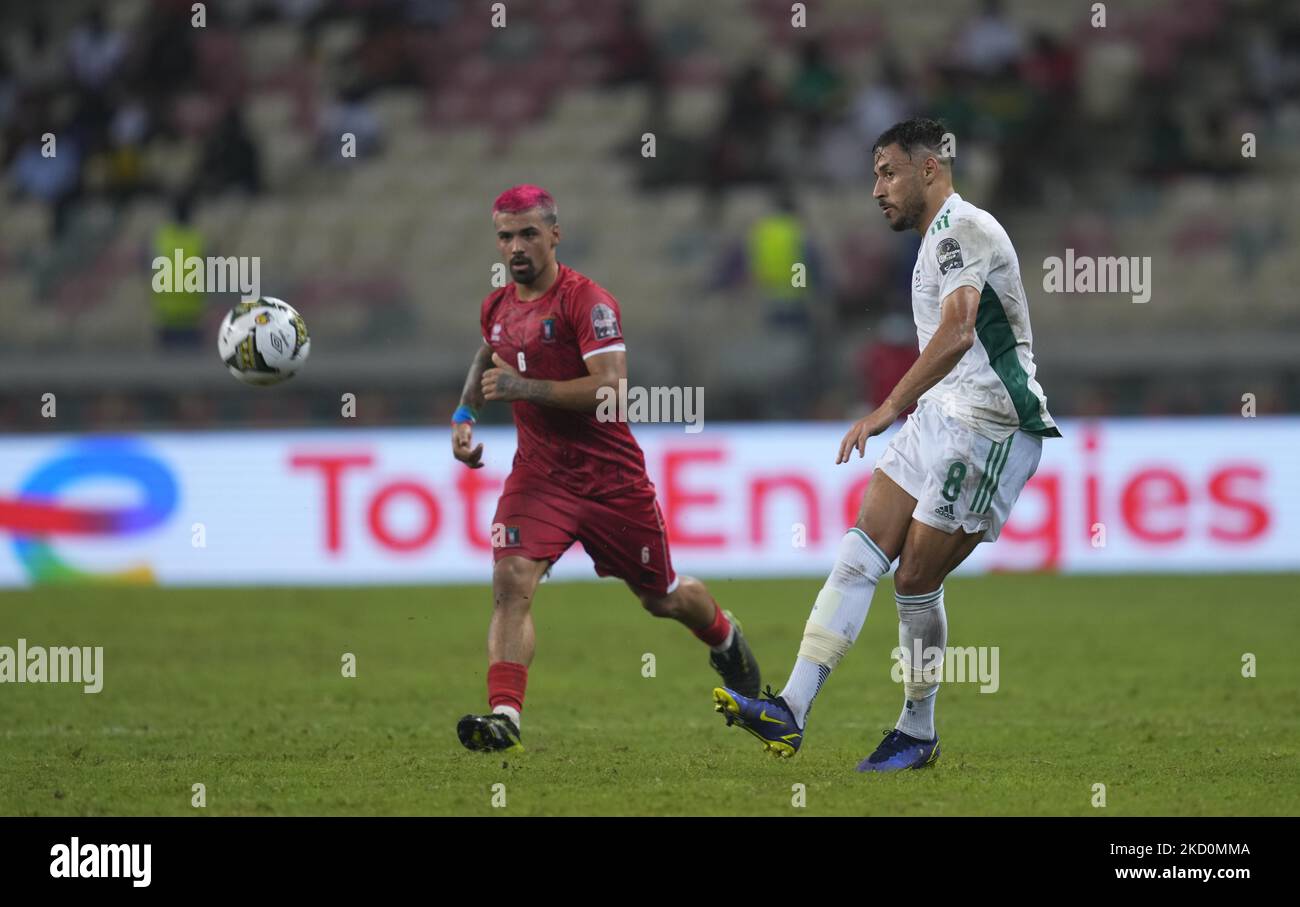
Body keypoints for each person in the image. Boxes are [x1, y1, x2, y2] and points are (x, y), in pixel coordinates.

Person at [713, 117, 1059, 771]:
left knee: (914, 577)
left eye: (887, 171)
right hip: (939, 416)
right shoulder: (934, 242)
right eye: (875, 173)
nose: (876, 189)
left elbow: (957, 334)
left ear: (930, 169)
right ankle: (789, 708)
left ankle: (917, 730)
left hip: (989, 426)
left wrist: (886, 408)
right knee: (857, 553)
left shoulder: (964, 231)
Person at [451, 185, 761, 752]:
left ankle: (723, 635)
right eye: (504, 236)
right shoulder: (497, 306)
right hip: (539, 477)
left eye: (527, 234)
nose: (515, 247)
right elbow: (486, 352)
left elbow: (612, 389)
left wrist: (523, 387)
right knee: (511, 580)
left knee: (662, 598)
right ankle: (505, 717)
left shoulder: (586, 301)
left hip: (610, 482)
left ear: (554, 235)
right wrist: (465, 414)